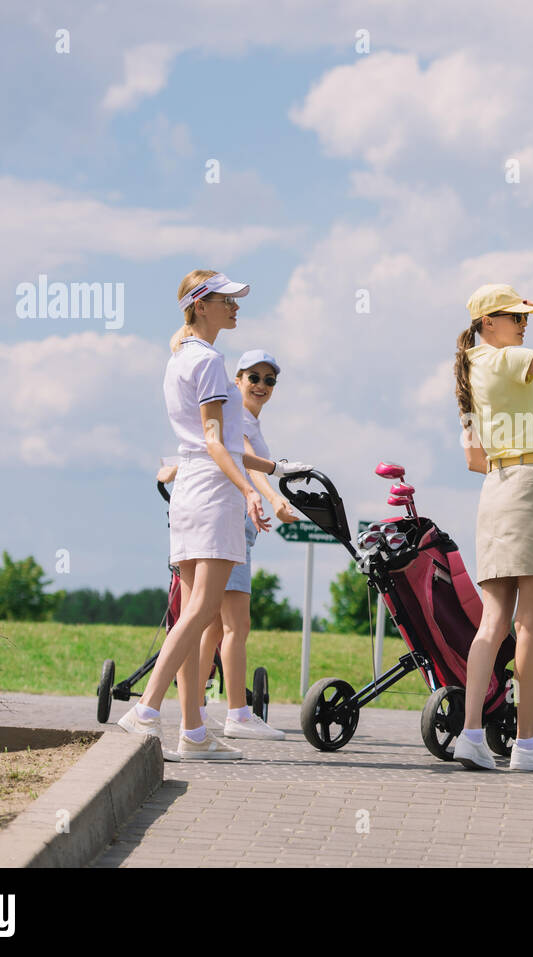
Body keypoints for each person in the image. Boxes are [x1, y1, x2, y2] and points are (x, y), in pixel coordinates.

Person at [118, 269, 304, 759]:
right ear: (202, 306)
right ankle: (146, 710)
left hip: (191, 493)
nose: (236, 307)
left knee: (193, 614)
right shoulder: (210, 361)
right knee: (201, 612)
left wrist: (275, 467)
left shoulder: (179, 357)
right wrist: (249, 491)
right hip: (213, 494)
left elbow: (211, 444)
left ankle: (195, 734)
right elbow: (218, 443)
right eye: (228, 300)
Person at [450, 283, 533, 771]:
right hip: (528, 484)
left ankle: (470, 735)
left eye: (527, 316)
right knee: (529, 623)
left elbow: (473, 458)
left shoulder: (467, 369)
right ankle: (526, 745)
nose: (524, 323)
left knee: (492, 623)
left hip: (495, 489)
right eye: (515, 317)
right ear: (488, 322)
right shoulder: (502, 359)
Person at [193, 350, 300, 740]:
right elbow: (246, 461)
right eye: (253, 377)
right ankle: (237, 713)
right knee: (236, 624)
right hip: (234, 524)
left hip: (231, 524)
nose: (261, 385)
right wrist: (273, 498)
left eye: (270, 380)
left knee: (212, 625)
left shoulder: (245, 418)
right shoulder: (239, 416)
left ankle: (197, 709)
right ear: (237, 379)